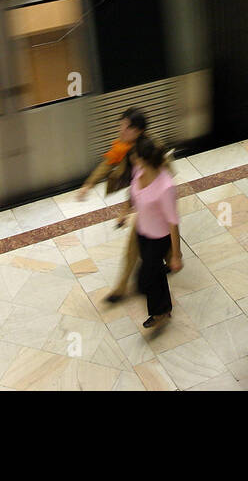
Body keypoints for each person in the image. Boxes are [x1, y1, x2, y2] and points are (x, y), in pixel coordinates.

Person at [76, 107, 145, 303]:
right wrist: (88, 184)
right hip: (144, 197)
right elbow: (108, 163)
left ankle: (122, 287)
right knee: (160, 235)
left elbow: (141, 185)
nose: (121, 131)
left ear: (138, 131)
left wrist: (125, 210)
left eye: (126, 128)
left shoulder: (145, 152)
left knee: (135, 243)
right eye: (121, 126)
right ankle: (173, 254)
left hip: (154, 200)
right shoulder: (125, 146)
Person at [123, 134, 182, 329]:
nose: (132, 157)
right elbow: (135, 194)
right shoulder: (139, 171)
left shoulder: (165, 187)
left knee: (145, 279)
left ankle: (160, 311)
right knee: (154, 273)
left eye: (135, 155)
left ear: (142, 158)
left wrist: (176, 255)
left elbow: (173, 222)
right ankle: (164, 308)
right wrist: (125, 212)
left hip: (159, 237)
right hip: (143, 231)